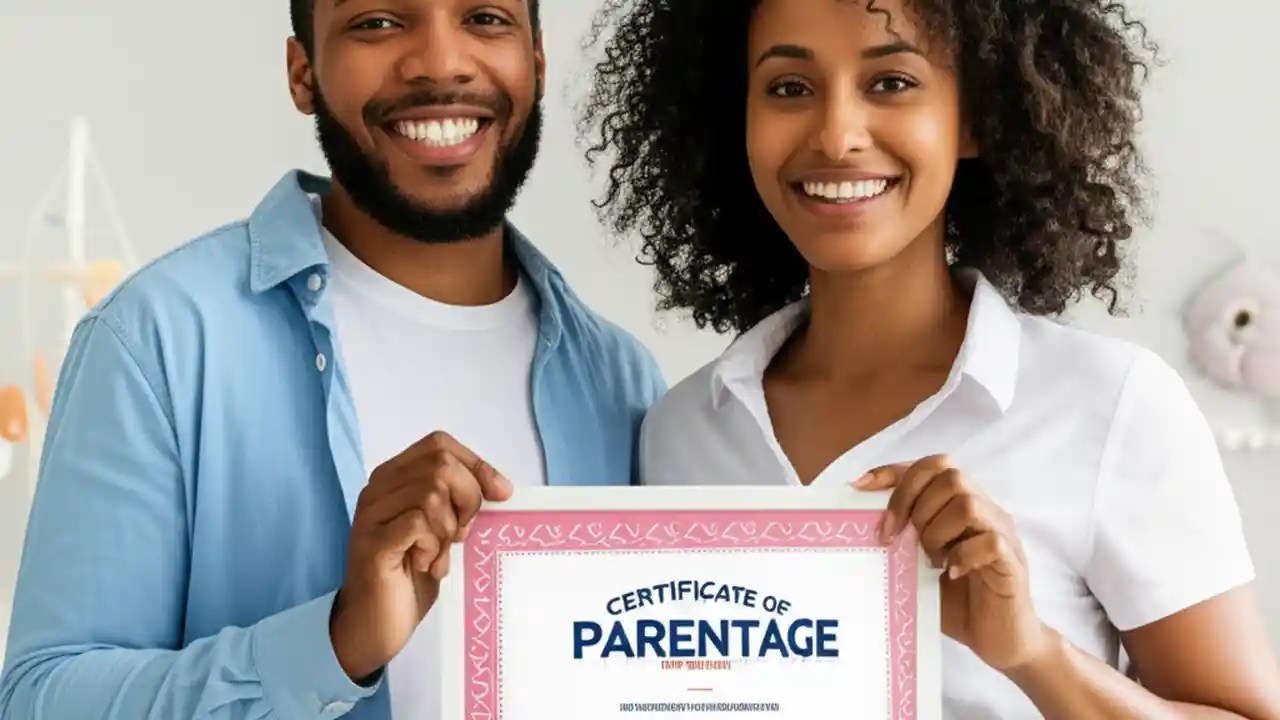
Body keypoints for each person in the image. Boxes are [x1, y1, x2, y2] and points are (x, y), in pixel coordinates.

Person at [582, 0, 1280, 717]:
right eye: (789, 88)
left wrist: (1032, 653)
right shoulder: (681, 431)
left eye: (891, 83)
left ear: (975, 116)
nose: (837, 136)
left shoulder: (1111, 404)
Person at [0, 0, 665, 718]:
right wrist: (333, 644)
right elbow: (41, 699)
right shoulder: (158, 340)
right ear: (303, 73)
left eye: (484, 17)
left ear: (535, 60)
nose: (441, 63)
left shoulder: (623, 385)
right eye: (377, 21)